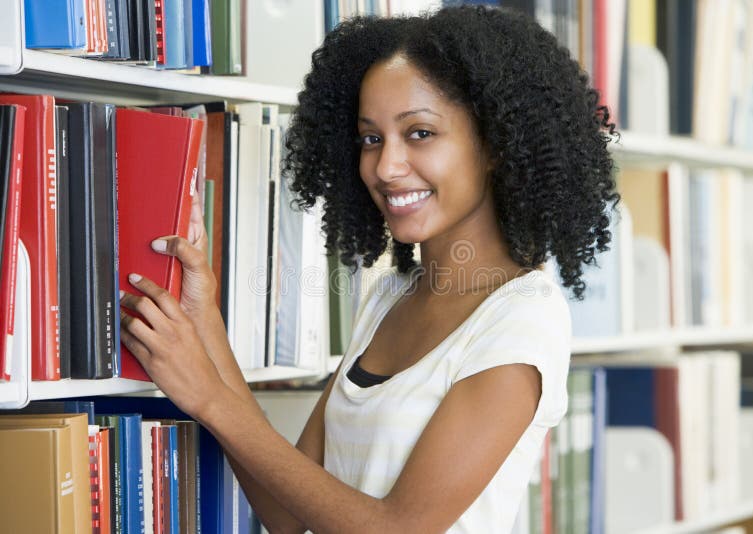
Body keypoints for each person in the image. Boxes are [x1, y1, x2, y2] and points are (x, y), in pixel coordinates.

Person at [118, 5, 618, 533]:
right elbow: (286, 513)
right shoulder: (388, 298)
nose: (385, 167)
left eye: (420, 133)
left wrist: (213, 401)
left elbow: (398, 529)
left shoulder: (520, 321)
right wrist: (205, 325)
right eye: (371, 138)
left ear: (495, 145)